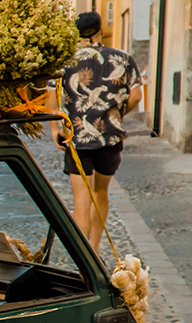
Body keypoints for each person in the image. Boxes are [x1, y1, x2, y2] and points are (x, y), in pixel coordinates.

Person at [47, 11, 142, 253]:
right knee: (101, 192)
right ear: (101, 30)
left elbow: (51, 97)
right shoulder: (123, 59)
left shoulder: (64, 62)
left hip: (76, 137)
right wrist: (116, 116)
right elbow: (137, 96)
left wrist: (56, 128)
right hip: (109, 137)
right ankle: (96, 249)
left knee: (81, 200)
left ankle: (83, 261)